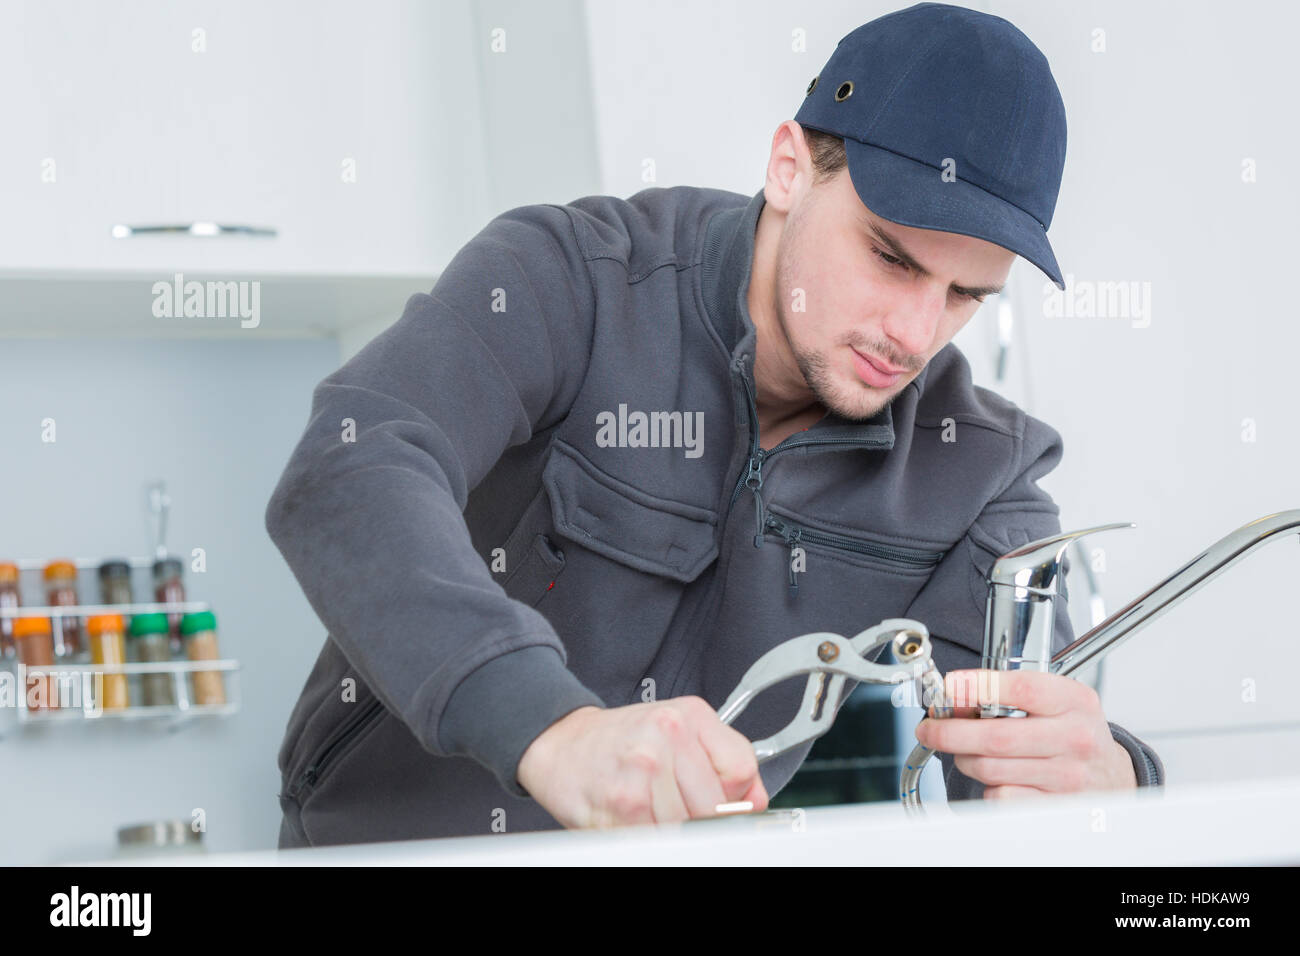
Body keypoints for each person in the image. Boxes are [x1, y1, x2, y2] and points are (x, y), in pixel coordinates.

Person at [268, 2, 1163, 848]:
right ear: (789, 168)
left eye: (966, 295)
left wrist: (1117, 779)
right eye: (891, 259)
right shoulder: (568, 282)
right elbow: (354, 468)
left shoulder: (983, 469)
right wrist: (554, 729)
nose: (913, 333)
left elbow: (1016, 743)